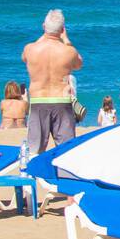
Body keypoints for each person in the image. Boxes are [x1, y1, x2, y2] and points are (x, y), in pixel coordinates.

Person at [21, 9, 83, 153]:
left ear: (44, 27)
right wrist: (66, 40)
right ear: (62, 29)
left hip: (38, 101)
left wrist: (44, 35)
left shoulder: (30, 49)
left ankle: (33, 175)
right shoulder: (69, 51)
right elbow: (78, 64)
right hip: (62, 100)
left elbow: (24, 58)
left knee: (34, 150)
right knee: (66, 150)